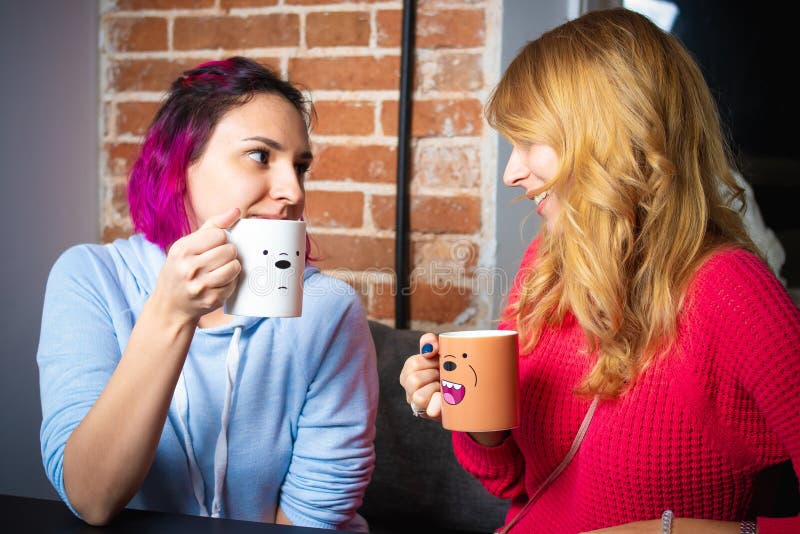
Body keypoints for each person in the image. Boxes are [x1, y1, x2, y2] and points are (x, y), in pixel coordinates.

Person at [400, 8, 800, 534]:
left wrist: (688, 530)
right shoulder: (544, 269)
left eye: (528, 142)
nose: (510, 172)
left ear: (605, 133)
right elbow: (516, 486)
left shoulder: (732, 292)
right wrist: (476, 421)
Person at [37, 57, 378, 530]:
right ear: (182, 165)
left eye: (300, 167)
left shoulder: (328, 309)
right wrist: (171, 314)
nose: (293, 191)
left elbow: (315, 514)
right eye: (261, 155)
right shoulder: (90, 279)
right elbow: (91, 498)